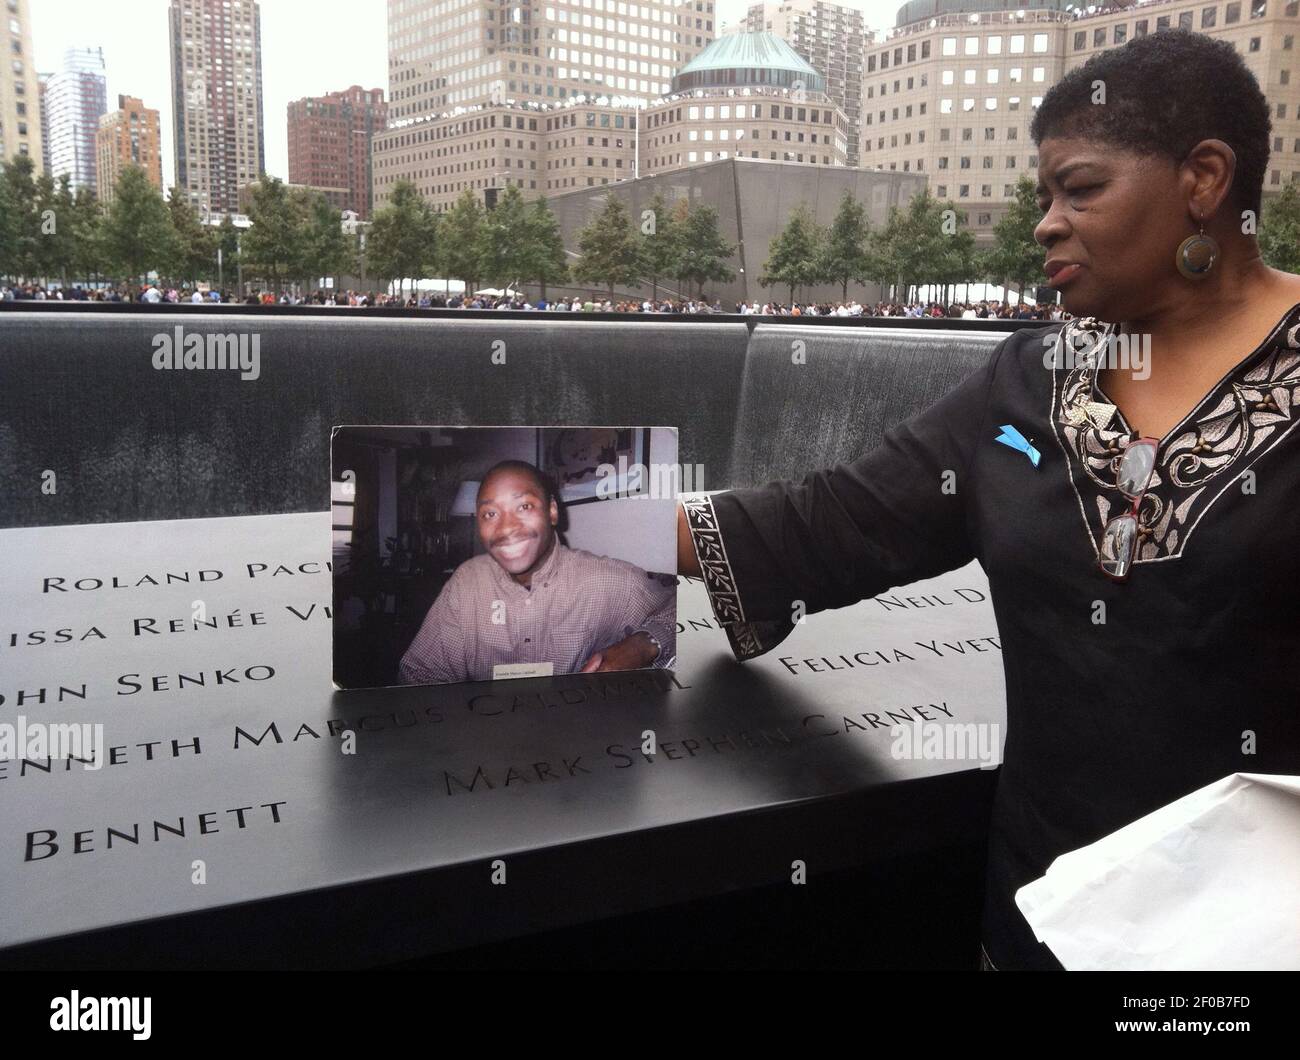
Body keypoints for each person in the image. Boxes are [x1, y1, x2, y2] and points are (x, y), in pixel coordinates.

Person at [675, 28, 1299, 972]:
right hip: (1045, 927)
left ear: (1204, 180)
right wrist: (585, 521)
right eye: (1044, 196)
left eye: (1080, 189)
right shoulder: (1025, 385)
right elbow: (830, 524)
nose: (1045, 222)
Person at [400, 460, 675, 685]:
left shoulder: (605, 580)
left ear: (552, 511)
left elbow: (690, 612)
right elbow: (420, 675)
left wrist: (645, 643)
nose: (506, 528)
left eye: (524, 506)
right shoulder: (467, 582)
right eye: (490, 514)